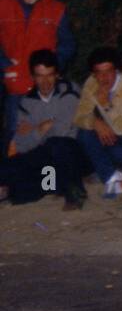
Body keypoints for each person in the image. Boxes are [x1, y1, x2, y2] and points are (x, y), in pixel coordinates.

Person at [0, 0, 76, 153]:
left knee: (45, 132)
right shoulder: (3, 5)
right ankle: (9, 179)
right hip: (15, 81)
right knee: (13, 132)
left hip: (43, 83)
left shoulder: (56, 9)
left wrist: (52, 67)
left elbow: (67, 44)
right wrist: (4, 64)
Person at [0, 50, 87, 208]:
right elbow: (21, 145)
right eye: (40, 76)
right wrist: (41, 128)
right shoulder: (26, 102)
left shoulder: (69, 91)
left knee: (57, 145)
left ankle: (73, 193)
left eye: (50, 75)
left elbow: (62, 132)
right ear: (33, 77)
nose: (45, 82)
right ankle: (44, 188)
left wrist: (34, 131)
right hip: (45, 159)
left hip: (74, 155)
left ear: (57, 75)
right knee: (9, 166)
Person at [74, 47, 122, 197]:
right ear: (93, 74)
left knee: (120, 149)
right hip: (111, 138)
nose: (104, 78)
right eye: (99, 73)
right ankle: (112, 178)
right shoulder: (92, 83)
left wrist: (105, 104)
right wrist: (95, 122)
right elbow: (79, 117)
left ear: (117, 70)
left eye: (109, 71)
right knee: (84, 134)